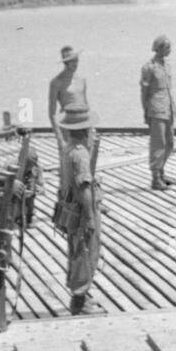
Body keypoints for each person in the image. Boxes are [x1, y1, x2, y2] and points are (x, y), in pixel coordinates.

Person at [53, 102, 102, 314]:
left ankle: (80, 295)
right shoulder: (80, 154)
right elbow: (84, 188)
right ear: (84, 129)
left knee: (76, 250)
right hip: (82, 210)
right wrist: (90, 217)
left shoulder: (68, 148)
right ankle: (80, 299)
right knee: (86, 251)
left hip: (70, 209)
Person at [141, 34, 176, 190]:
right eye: (167, 47)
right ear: (159, 48)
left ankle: (161, 171)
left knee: (170, 142)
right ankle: (155, 178)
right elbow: (144, 91)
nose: (170, 50)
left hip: (168, 106)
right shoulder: (149, 67)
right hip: (155, 108)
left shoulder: (167, 66)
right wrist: (145, 110)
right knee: (158, 143)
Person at [48, 45, 89, 138]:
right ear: (65, 62)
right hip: (67, 125)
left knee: (86, 152)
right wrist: (59, 137)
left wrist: (91, 127)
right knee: (70, 152)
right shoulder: (57, 82)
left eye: (77, 60)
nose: (76, 63)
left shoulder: (82, 79)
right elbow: (52, 113)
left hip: (84, 124)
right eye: (72, 61)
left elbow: (86, 103)